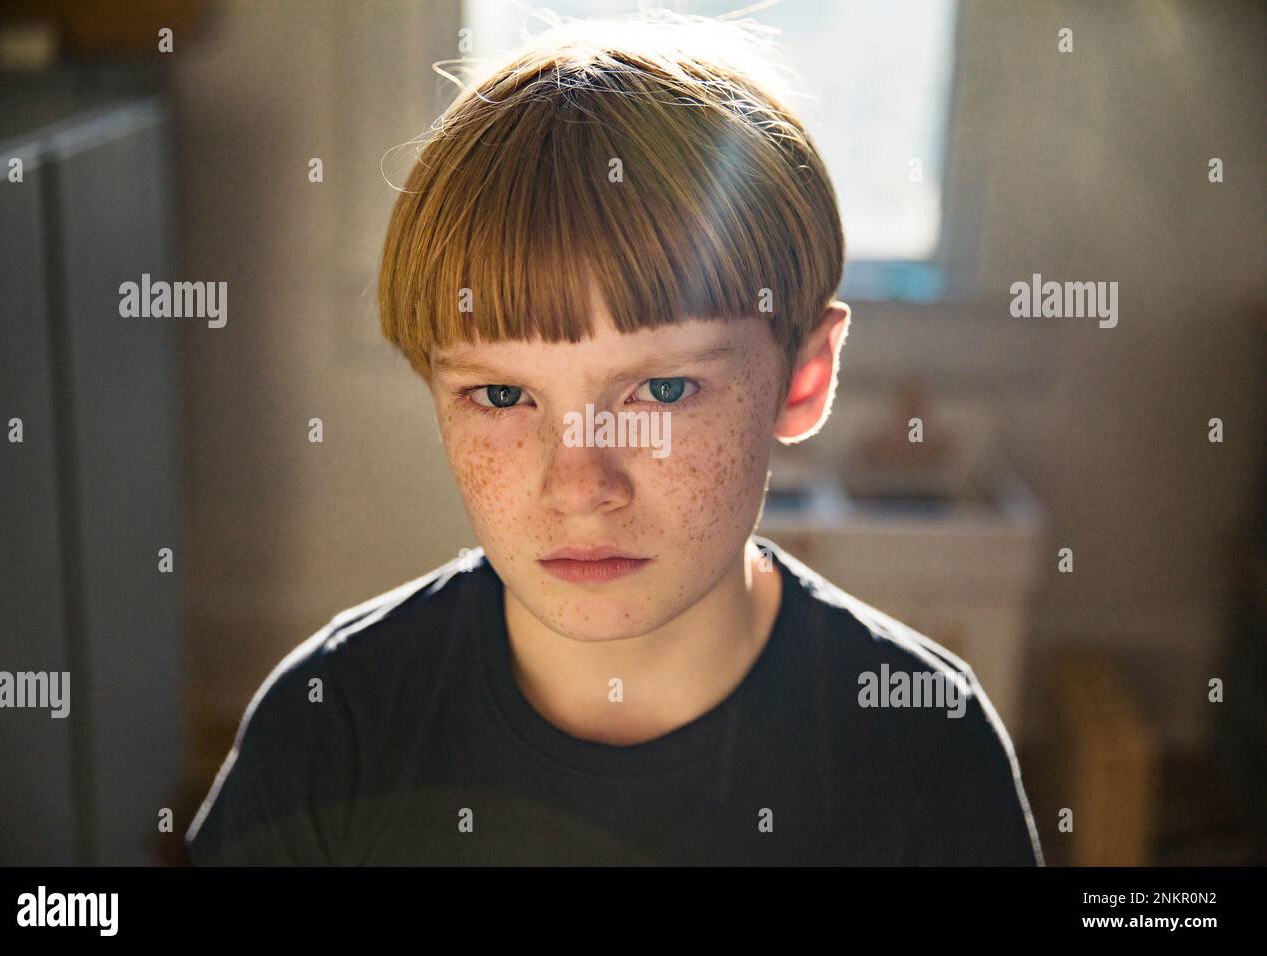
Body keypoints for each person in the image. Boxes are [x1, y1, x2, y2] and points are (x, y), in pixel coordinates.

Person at [186, 10, 1042, 866]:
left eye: (663, 389)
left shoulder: (925, 748)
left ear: (804, 379)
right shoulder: (330, 728)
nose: (580, 482)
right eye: (500, 394)